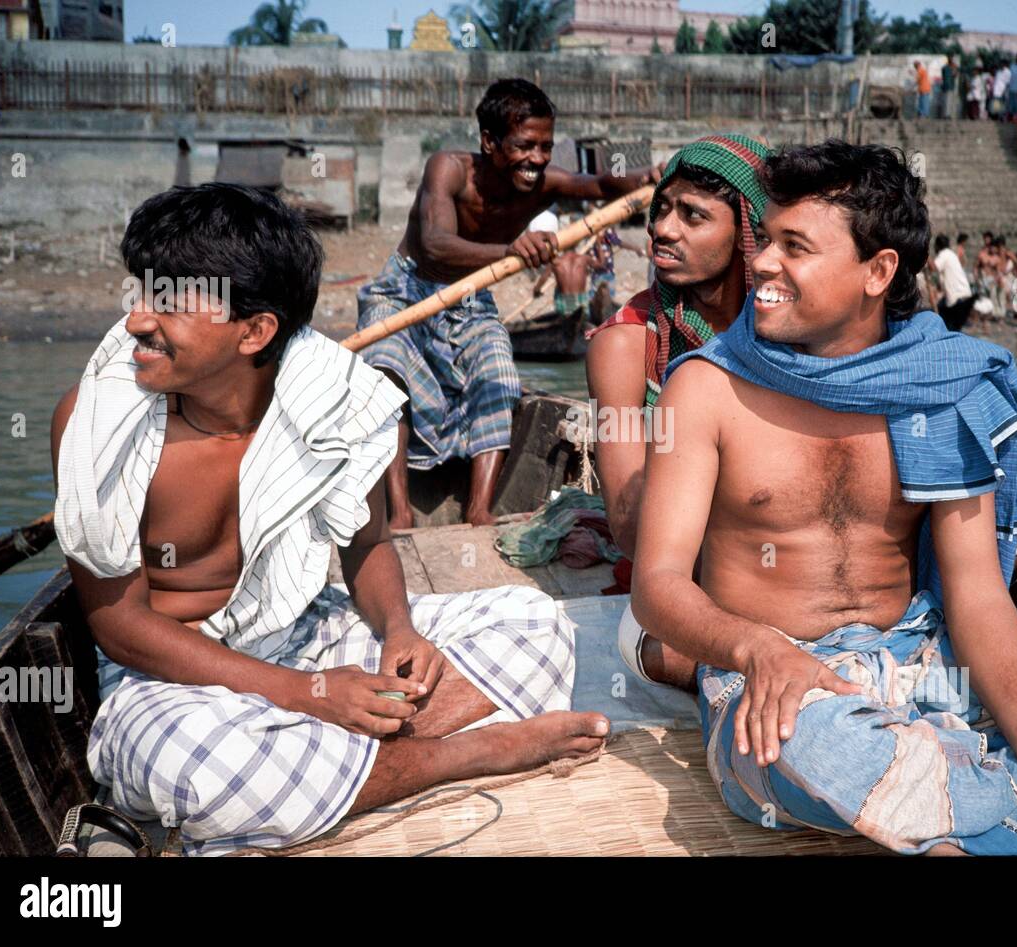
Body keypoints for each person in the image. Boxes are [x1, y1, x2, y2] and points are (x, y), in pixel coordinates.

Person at [630, 139, 1017, 856]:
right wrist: (755, 646)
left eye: (794, 246)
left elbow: (978, 596)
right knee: (817, 746)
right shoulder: (705, 387)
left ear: (877, 270)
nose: (762, 262)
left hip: (928, 663)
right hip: (785, 685)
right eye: (765, 239)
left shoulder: (942, 386)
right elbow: (658, 584)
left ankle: (998, 781)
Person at [50, 184, 609, 856]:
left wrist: (399, 627)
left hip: (301, 631)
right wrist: (306, 694)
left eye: (167, 303)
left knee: (538, 625)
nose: (137, 320)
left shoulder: (329, 399)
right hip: (170, 675)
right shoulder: (99, 417)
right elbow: (120, 626)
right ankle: (465, 753)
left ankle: (327, 765)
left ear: (255, 331)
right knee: (199, 765)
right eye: (139, 292)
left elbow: (367, 542)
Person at [356, 78, 662, 530]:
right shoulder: (449, 169)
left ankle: (478, 509)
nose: (537, 159)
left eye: (545, 146)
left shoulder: (543, 183)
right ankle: (400, 511)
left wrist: (642, 180)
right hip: (408, 291)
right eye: (525, 146)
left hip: (470, 298)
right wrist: (510, 253)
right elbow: (436, 245)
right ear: (489, 142)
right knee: (384, 368)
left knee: (498, 367)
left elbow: (597, 183)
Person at [584, 133, 770, 687]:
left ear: (748, 236)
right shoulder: (623, 345)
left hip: (791, 589)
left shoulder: (789, 334)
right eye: (662, 210)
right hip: (683, 595)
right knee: (664, 649)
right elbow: (629, 523)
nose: (663, 229)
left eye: (693, 215)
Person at [932, 233, 974, 331]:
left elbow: (934, 267)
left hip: (957, 297)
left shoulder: (944, 254)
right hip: (964, 294)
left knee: (950, 327)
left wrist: (924, 257)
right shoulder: (950, 254)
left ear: (937, 246)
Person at [940, 54, 959, 119]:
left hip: (950, 86)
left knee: (949, 101)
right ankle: (946, 115)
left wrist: (955, 68)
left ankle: (947, 115)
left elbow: (955, 75)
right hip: (947, 86)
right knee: (947, 101)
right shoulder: (945, 68)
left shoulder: (951, 67)